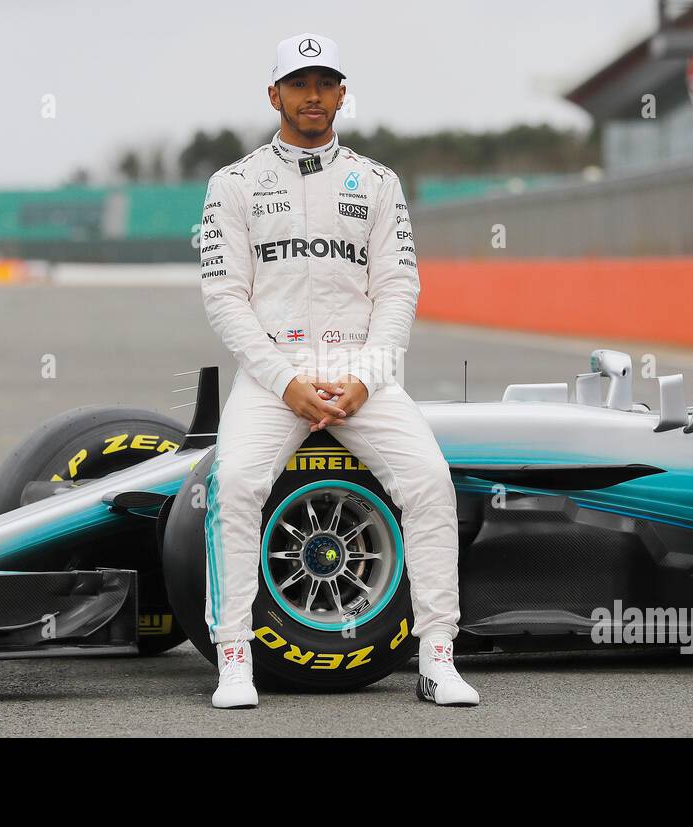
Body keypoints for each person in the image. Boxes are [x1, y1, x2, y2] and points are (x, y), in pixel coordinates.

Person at [198, 32, 479, 709]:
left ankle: (437, 656)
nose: (313, 96)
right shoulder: (233, 183)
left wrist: (367, 376)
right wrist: (285, 382)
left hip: (362, 373)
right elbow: (224, 297)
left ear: (343, 94)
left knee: (431, 482)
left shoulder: (377, 182)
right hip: (274, 376)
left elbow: (399, 289)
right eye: (299, 84)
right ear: (274, 94)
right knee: (232, 485)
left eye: (325, 83)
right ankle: (234, 657)